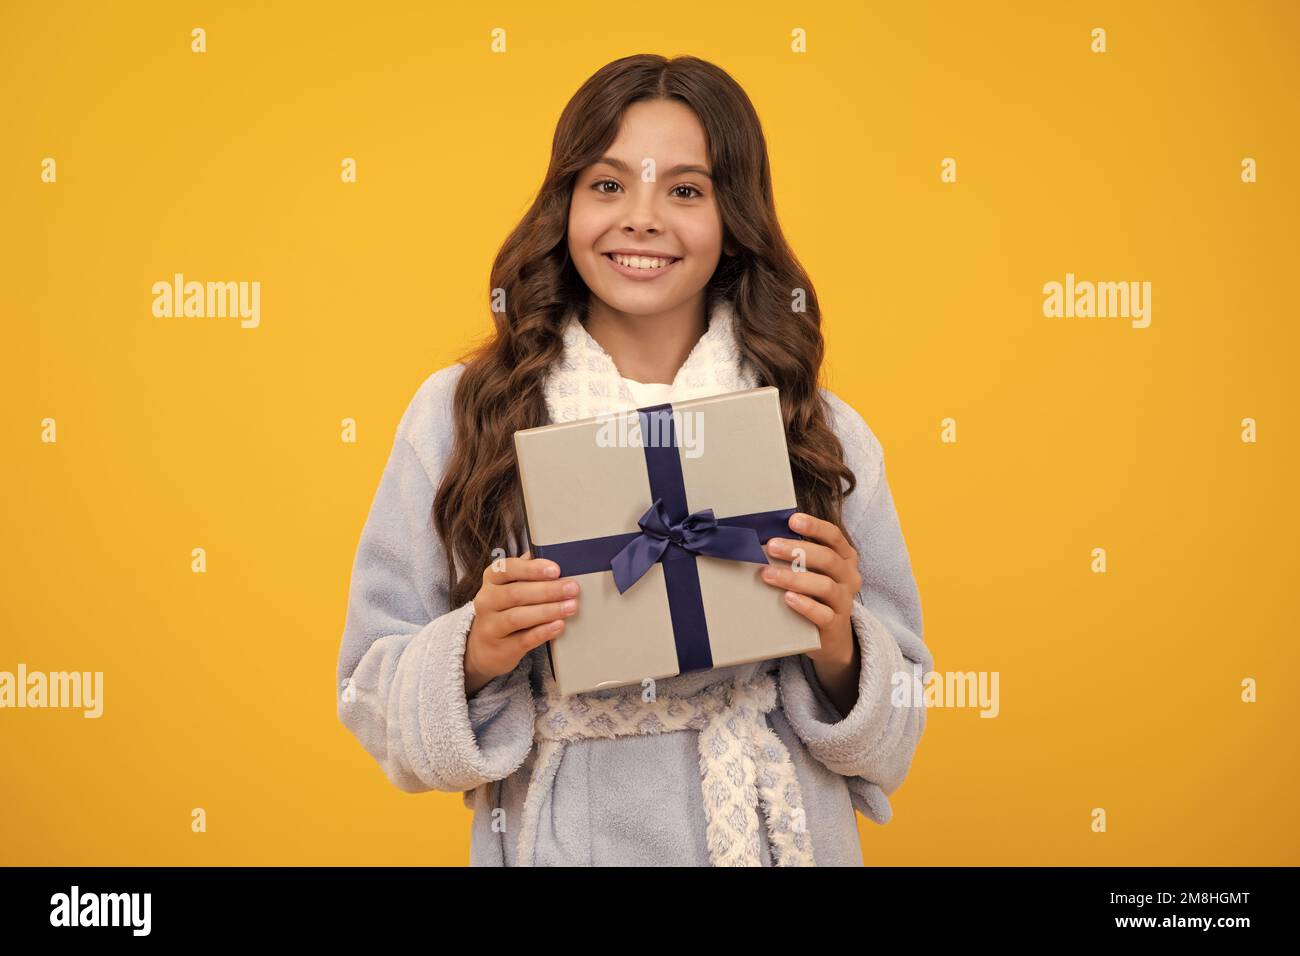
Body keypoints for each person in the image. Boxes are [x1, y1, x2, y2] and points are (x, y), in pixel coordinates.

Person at [336, 53, 933, 866]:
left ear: (735, 220)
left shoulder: (818, 432)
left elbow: (897, 726)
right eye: (608, 185)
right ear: (566, 202)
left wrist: (841, 646)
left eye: (685, 190)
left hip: (777, 830)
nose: (641, 219)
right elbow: (369, 694)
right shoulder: (459, 417)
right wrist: (474, 651)